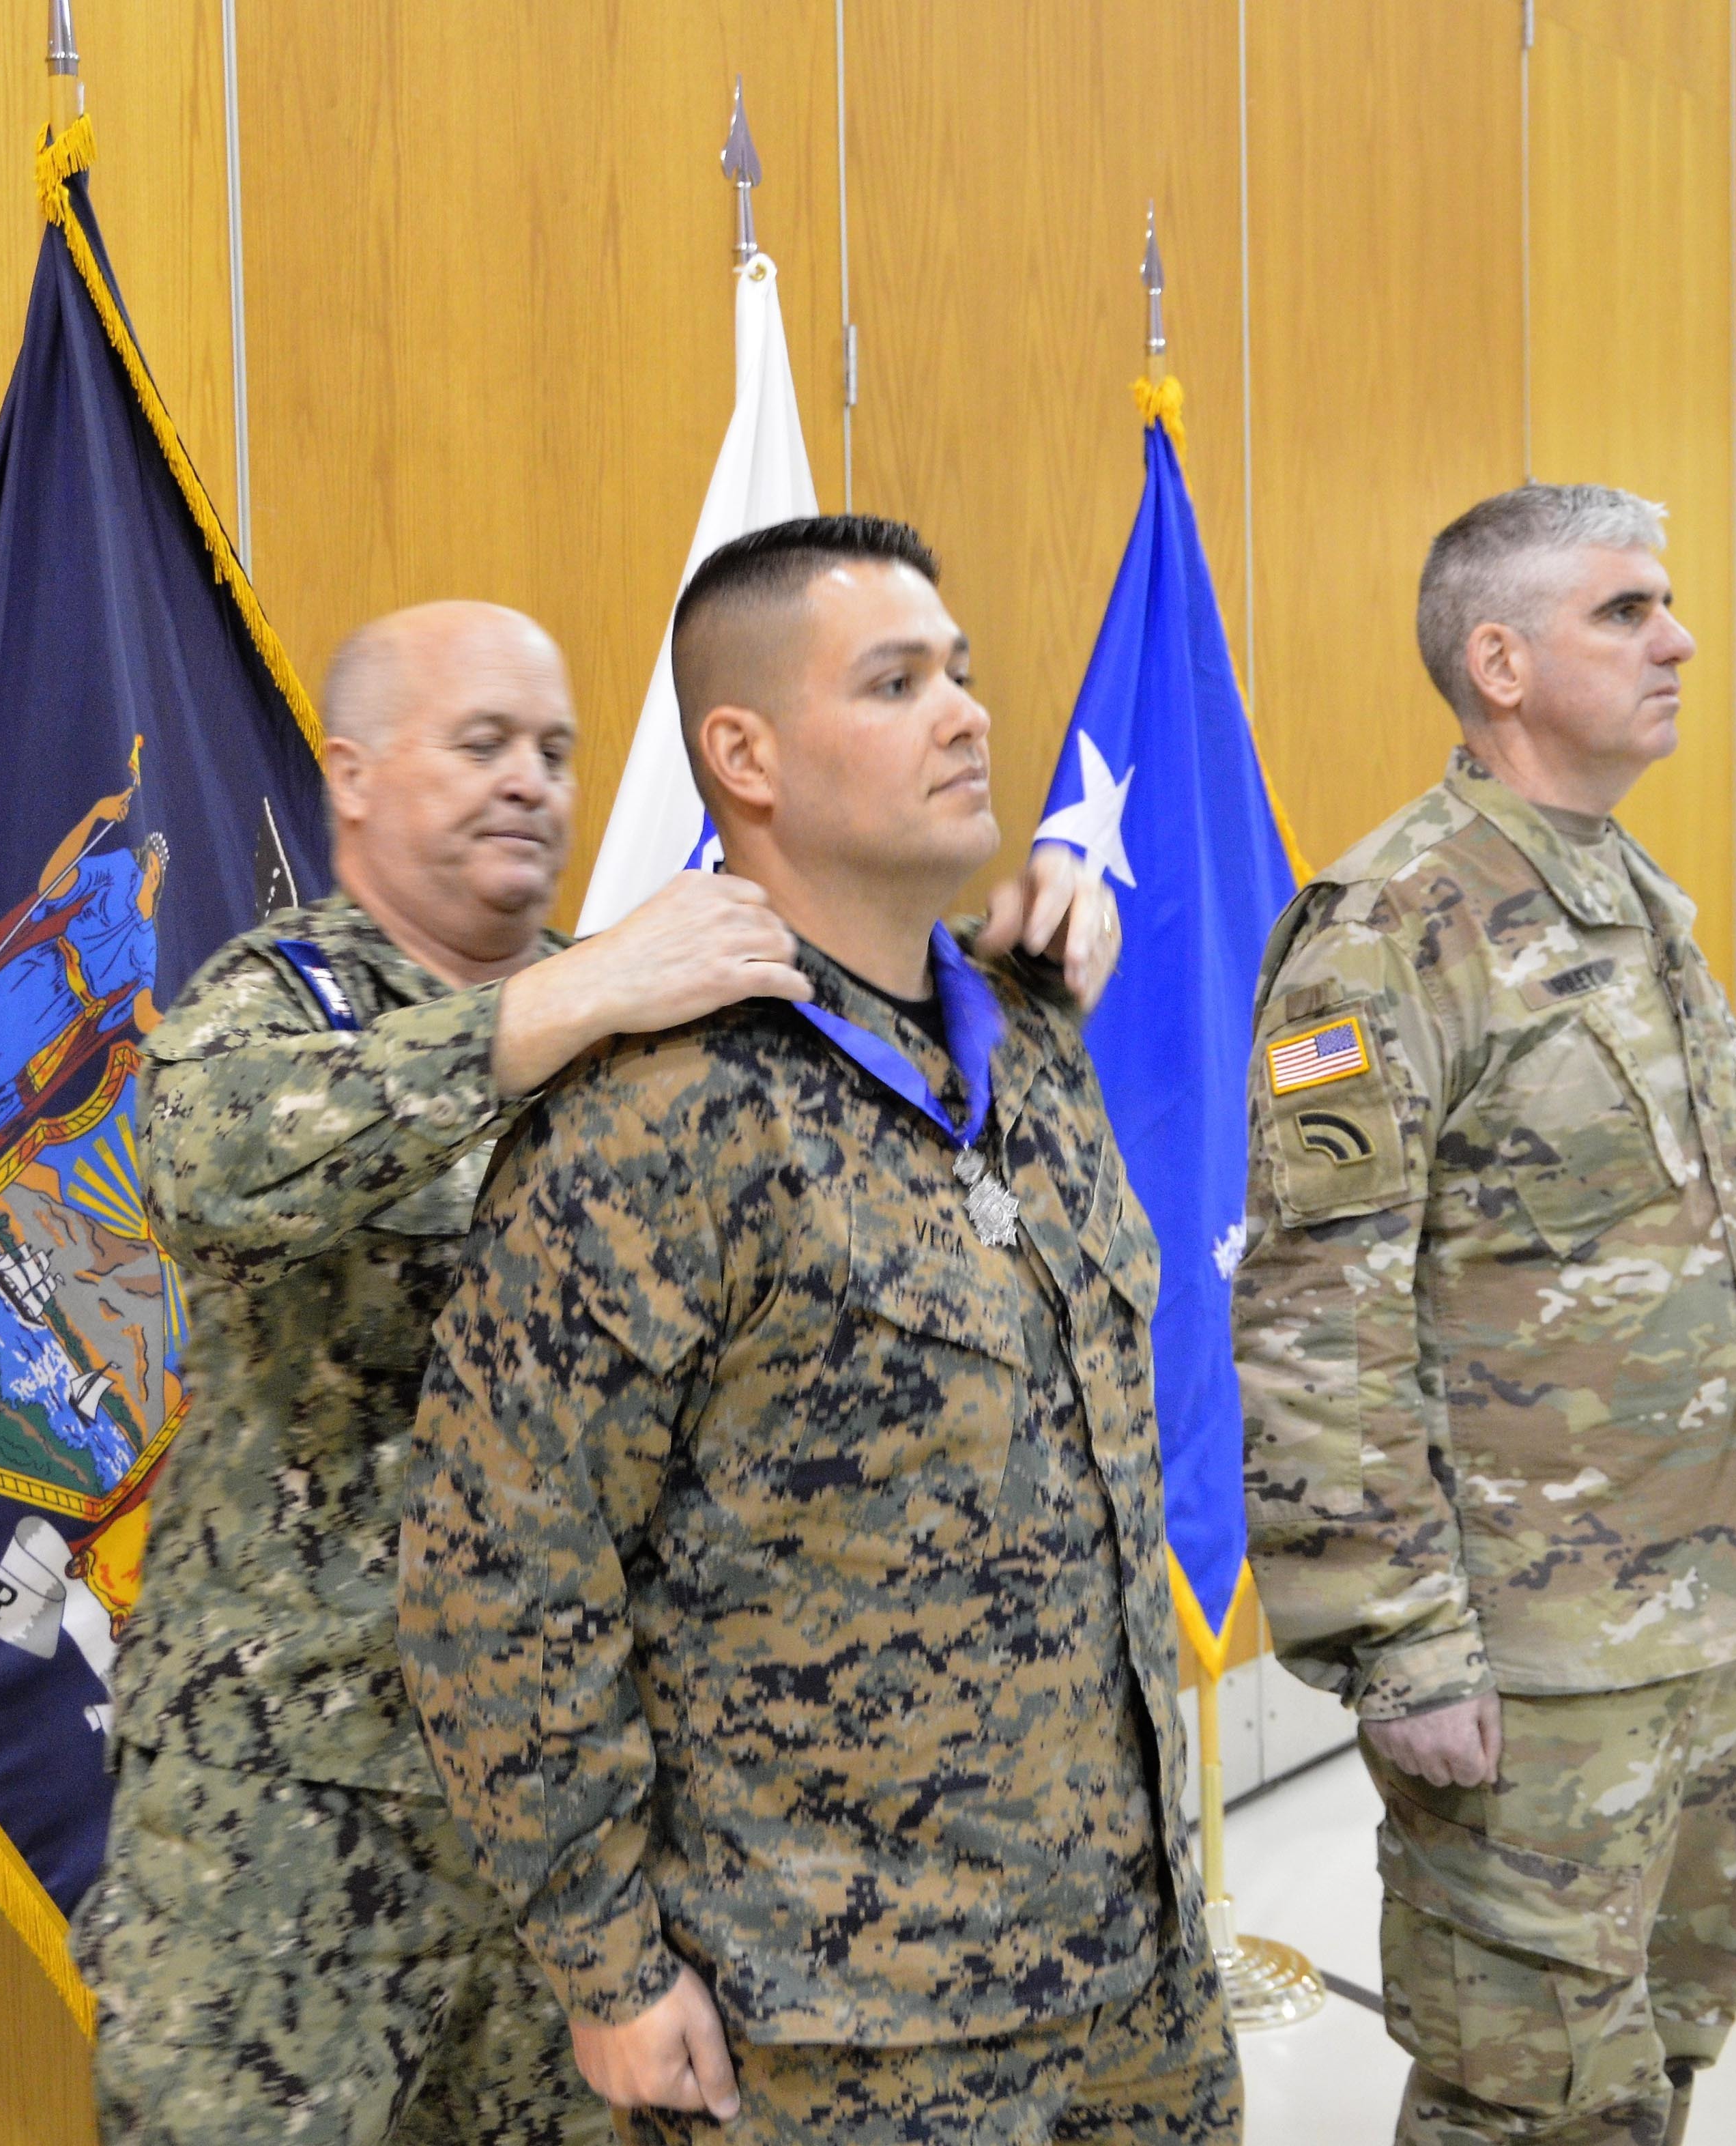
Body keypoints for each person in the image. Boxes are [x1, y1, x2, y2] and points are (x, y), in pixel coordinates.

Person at [72, 597, 1109, 2146]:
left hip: (578, 1832)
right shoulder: (288, 999)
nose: (530, 784)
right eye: (479, 743)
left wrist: (998, 967)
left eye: (554, 751)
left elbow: (854, 1110)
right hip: (286, 1830)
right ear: (349, 776)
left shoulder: (641, 1014)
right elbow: (213, 1166)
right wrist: (562, 1002)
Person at [396, 518, 1241, 2146]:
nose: (967, 714)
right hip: (840, 2034)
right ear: (745, 753)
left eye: (963, 673)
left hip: (1128, 1974)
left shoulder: (1026, 1041)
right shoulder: (658, 1117)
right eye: (897, 680)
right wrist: (607, 1969)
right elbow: (498, 1566)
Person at [1232, 485, 1736, 2146]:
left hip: (1693, 1621)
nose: (1676, 638)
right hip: (1528, 1656)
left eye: (1665, 604)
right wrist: (1395, 1642)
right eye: (1625, 610)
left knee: (1650, 2061)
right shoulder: (1387, 932)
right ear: (1498, 660)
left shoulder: (1629, 898)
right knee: (1522, 2099)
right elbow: (1313, 1314)